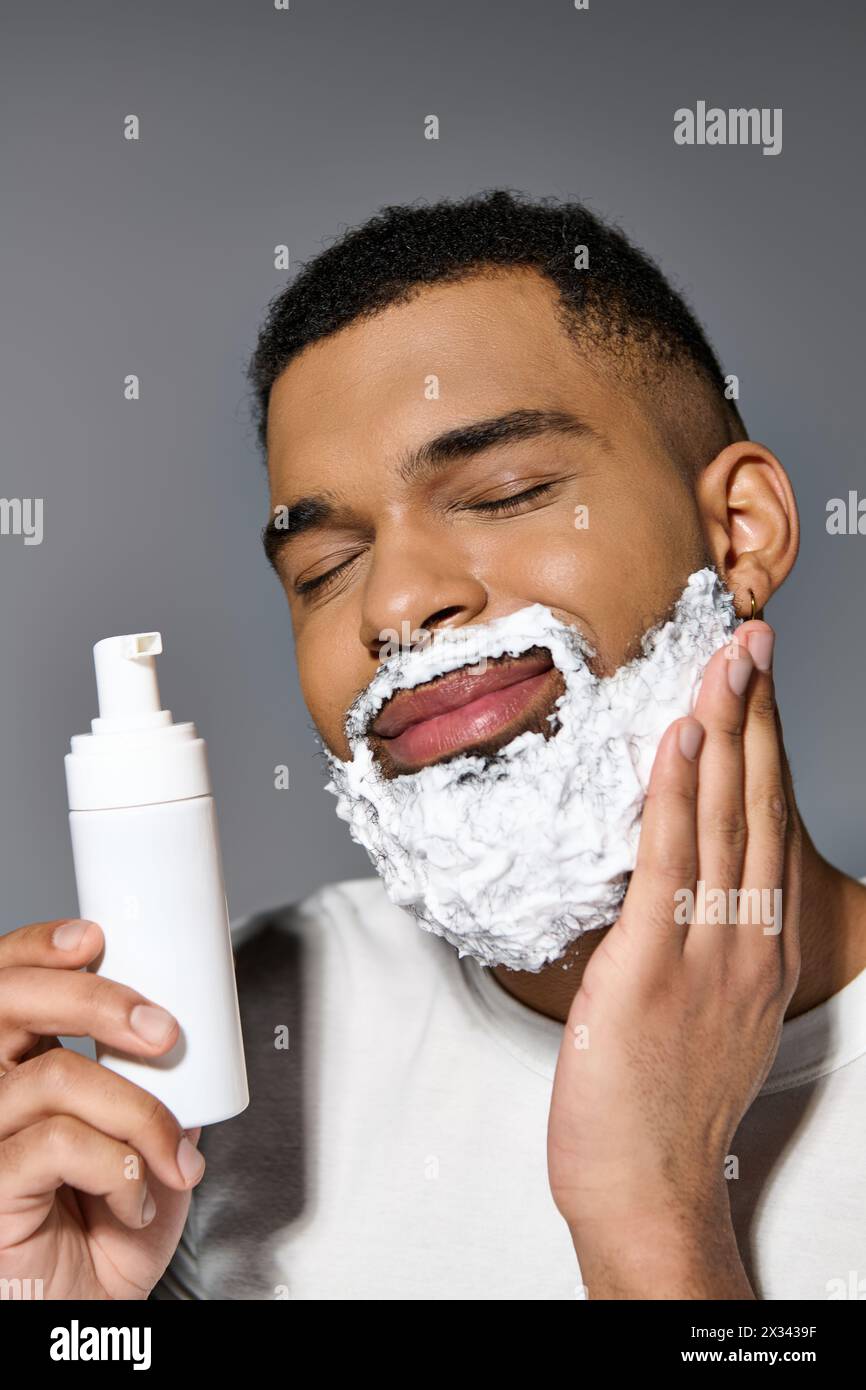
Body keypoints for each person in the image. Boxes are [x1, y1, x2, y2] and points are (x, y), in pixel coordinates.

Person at [2, 190, 864, 1301]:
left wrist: (649, 1211)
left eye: (503, 494)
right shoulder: (216, 1060)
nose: (395, 602)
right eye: (324, 569)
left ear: (739, 531)